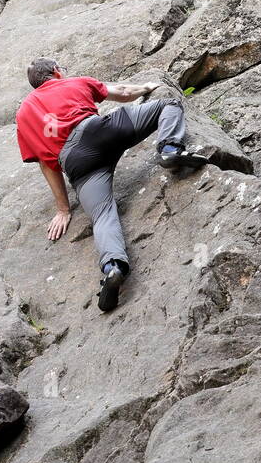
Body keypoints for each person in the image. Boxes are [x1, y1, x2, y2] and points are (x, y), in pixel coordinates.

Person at [15, 57, 205, 311]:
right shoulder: (73, 83)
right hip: (99, 130)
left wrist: (63, 208)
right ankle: (170, 149)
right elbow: (124, 92)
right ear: (57, 72)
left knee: (102, 215)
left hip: (76, 163)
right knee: (168, 105)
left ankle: (113, 267)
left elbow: (45, 163)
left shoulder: (24, 114)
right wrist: (146, 87)